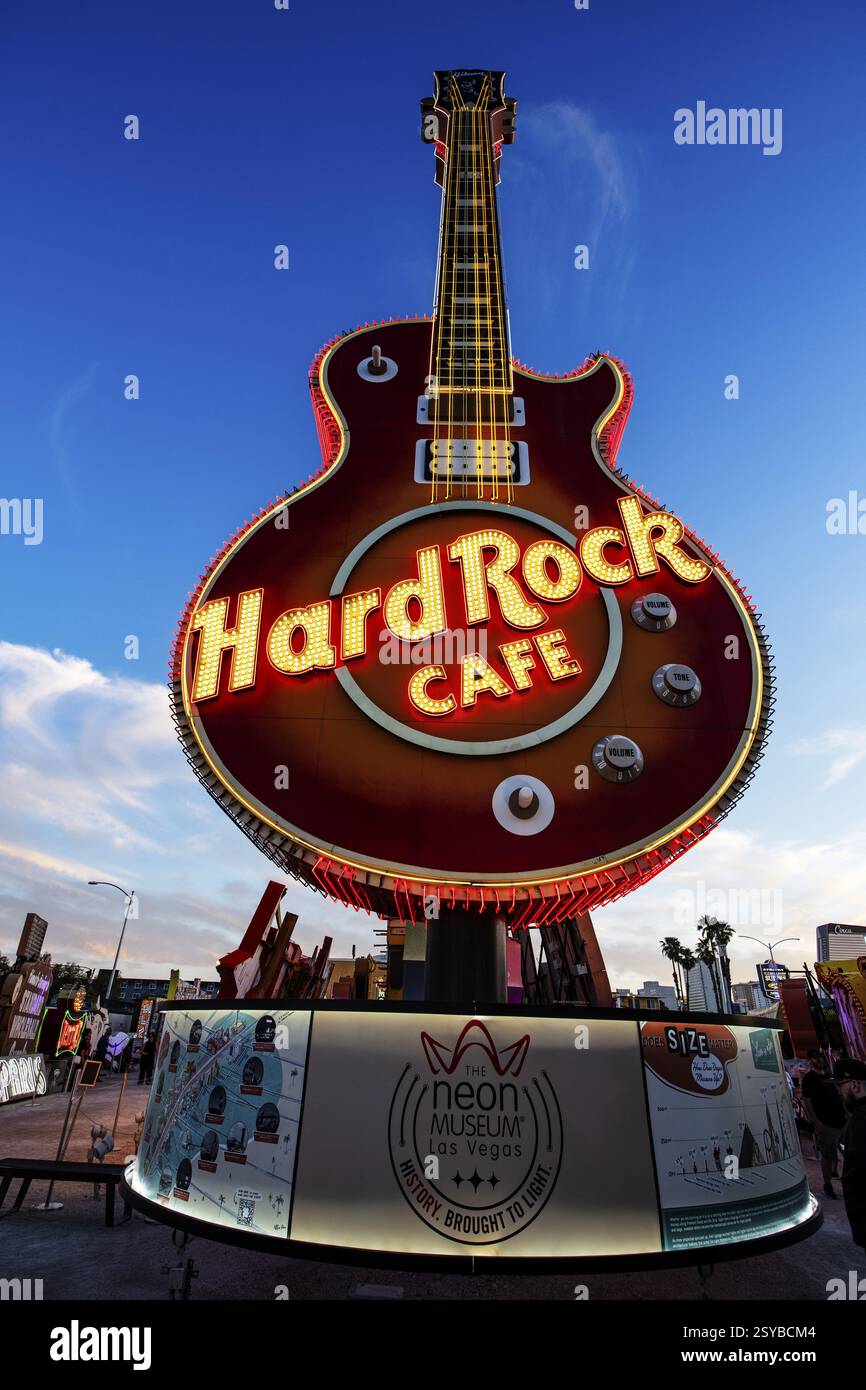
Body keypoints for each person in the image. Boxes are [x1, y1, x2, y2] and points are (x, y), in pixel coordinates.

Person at [801, 1050, 846, 1198]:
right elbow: (807, 1101)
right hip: (825, 1122)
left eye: (820, 1057)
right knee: (826, 1154)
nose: (820, 1060)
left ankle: (837, 1174)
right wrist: (816, 1121)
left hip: (840, 1120)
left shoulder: (828, 1075)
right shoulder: (809, 1078)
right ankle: (828, 1185)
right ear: (811, 1060)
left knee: (843, 1151)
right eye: (816, 1058)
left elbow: (839, 1094)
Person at [834, 1057, 866, 1255]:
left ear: (854, 1085)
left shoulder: (860, 1121)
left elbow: (860, 1170)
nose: (839, 1092)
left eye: (840, 1086)